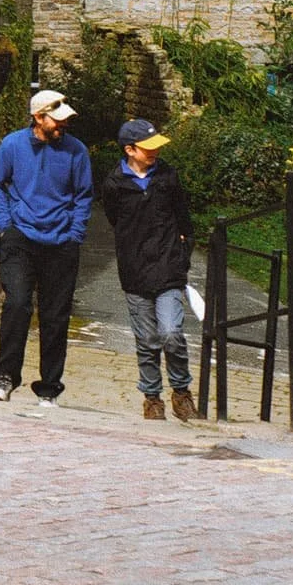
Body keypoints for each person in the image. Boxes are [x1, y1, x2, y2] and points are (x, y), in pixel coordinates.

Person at [0, 89, 93, 405]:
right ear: (38, 118)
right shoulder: (13, 145)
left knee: (55, 316)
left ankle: (49, 388)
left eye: (65, 121)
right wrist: (5, 225)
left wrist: (75, 233)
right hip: (20, 238)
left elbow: (84, 196)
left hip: (61, 243)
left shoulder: (77, 152)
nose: (62, 126)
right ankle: (5, 378)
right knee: (17, 304)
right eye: (56, 120)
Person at [100, 118, 196, 421]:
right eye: (147, 148)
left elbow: (184, 219)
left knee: (171, 333)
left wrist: (181, 255)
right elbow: (116, 221)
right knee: (147, 340)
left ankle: (181, 392)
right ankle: (152, 398)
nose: (154, 152)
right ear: (130, 149)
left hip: (168, 268)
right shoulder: (115, 184)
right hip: (135, 271)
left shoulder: (167, 177)